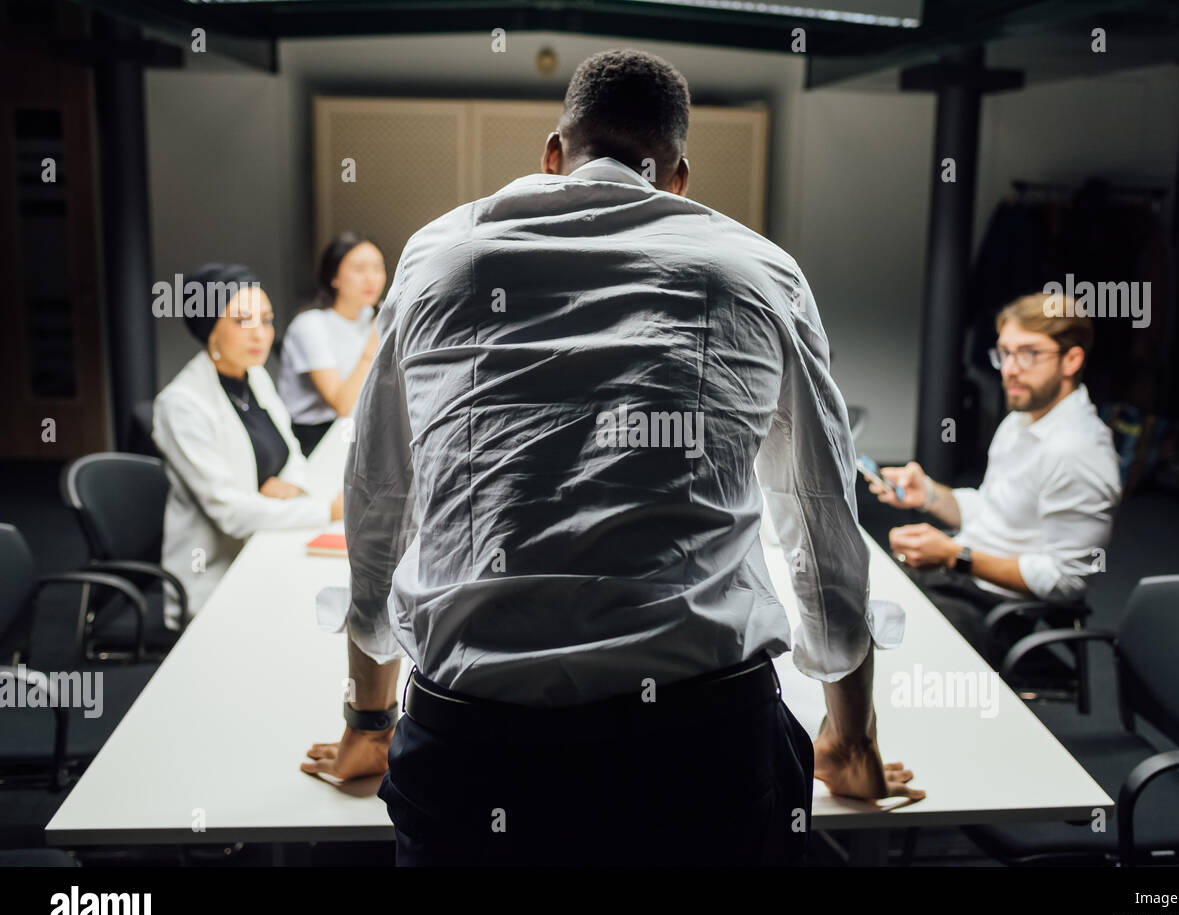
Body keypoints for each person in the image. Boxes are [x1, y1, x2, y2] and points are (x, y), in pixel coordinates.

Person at [300, 49, 922, 865]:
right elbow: (820, 516)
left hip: (475, 747)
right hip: (701, 753)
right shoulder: (759, 271)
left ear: (553, 153)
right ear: (679, 177)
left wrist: (369, 723)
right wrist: (852, 738)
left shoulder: (438, 257)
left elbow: (381, 501)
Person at [866, 292, 1121, 664]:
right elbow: (992, 509)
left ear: (1072, 360)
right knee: (856, 598)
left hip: (999, 608)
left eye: (1029, 353)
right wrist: (930, 496)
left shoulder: (1078, 451)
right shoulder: (1020, 421)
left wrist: (956, 556)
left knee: (878, 646)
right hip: (961, 577)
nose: (1010, 369)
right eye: (1004, 353)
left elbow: (1067, 580)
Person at [153, 263, 343, 630]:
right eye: (242, 321)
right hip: (218, 573)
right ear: (210, 330)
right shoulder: (181, 404)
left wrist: (293, 488)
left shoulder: (254, 376)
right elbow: (232, 512)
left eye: (267, 320)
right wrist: (326, 510)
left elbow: (291, 456)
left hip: (265, 542)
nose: (261, 334)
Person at [278, 234, 386, 455]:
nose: (371, 278)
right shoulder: (309, 325)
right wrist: (374, 341)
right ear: (333, 278)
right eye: (359, 269)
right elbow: (343, 405)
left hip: (355, 427)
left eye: (377, 268)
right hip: (314, 436)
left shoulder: (369, 317)